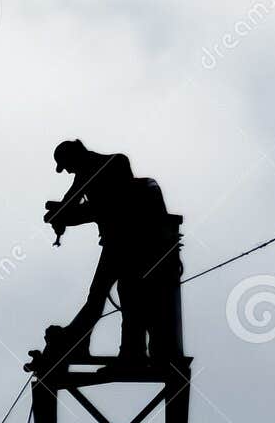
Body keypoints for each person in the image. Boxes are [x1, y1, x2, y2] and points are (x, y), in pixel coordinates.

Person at [43, 139, 183, 365]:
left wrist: (64, 214)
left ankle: (131, 353)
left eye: (67, 165)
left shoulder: (115, 163)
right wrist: (60, 215)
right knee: (102, 297)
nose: (68, 171)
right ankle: (83, 343)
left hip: (130, 244)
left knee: (127, 295)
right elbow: (72, 202)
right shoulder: (84, 174)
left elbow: (109, 207)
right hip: (115, 244)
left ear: (77, 156)